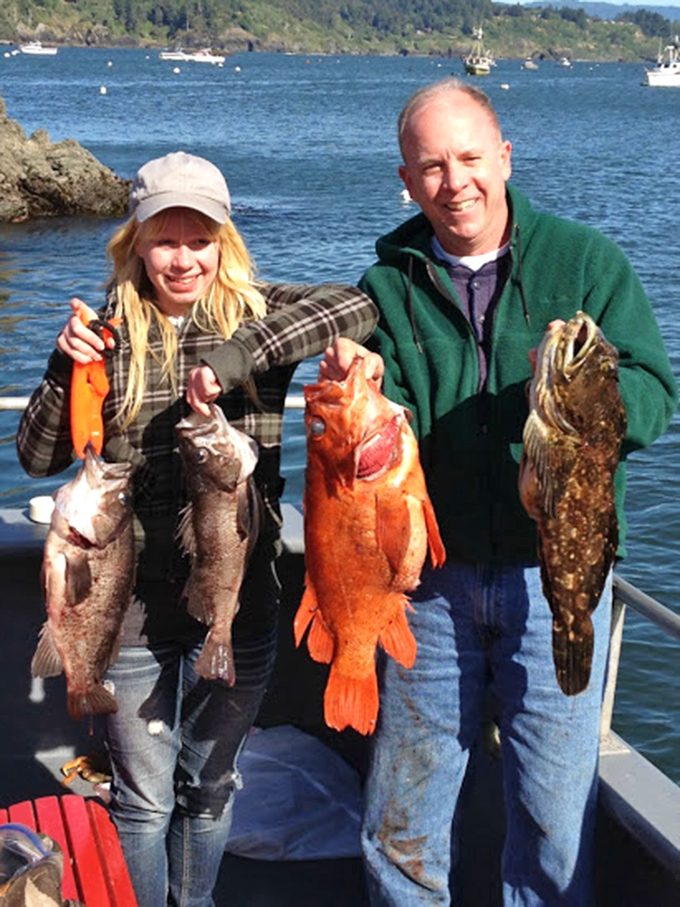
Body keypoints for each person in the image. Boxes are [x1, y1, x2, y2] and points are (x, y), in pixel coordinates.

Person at [321, 79, 677, 905]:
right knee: (400, 821)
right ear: (408, 181)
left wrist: (586, 404)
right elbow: (389, 422)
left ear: (505, 158)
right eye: (432, 166)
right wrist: (363, 389)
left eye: (471, 158)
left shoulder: (587, 263)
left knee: (556, 819)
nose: (457, 183)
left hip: (553, 578)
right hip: (429, 585)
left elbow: (658, 394)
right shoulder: (388, 285)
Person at [16, 150, 378, 907]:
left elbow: (354, 305)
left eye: (200, 240)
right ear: (136, 243)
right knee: (145, 800)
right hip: (131, 608)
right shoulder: (106, 334)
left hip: (238, 601)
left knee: (209, 788)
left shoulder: (257, 312)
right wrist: (61, 369)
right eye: (165, 240)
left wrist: (243, 354)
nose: (183, 260)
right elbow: (36, 456)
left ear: (225, 243)